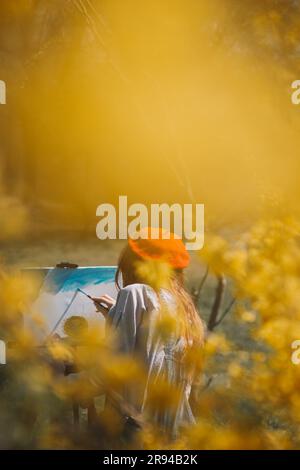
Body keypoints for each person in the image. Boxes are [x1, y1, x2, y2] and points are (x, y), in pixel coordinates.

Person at [93, 227, 205, 439]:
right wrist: (116, 317)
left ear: (133, 265)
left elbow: (114, 370)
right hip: (177, 434)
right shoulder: (185, 310)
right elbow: (157, 353)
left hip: (137, 430)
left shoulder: (134, 294)